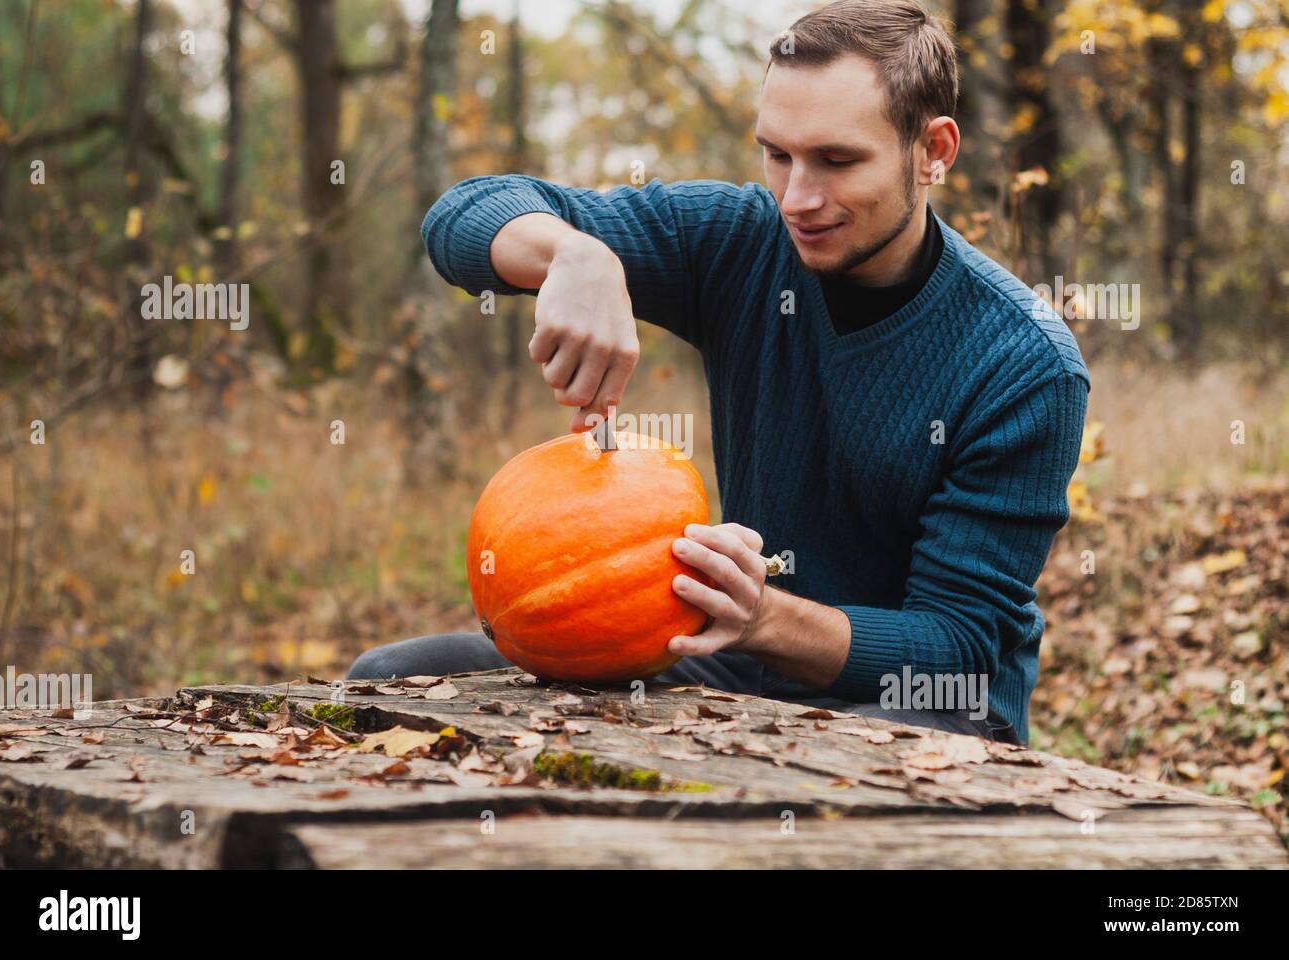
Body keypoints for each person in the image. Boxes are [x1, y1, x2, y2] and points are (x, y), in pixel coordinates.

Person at [348, 0, 1090, 747]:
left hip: (930, 707)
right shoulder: (738, 242)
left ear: (934, 150)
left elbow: (954, 648)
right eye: (777, 154)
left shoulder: (1024, 364)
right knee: (391, 679)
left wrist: (762, 614)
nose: (796, 198)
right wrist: (575, 255)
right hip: (739, 660)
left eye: (836, 161)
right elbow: (461, 215)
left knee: (819, 761)